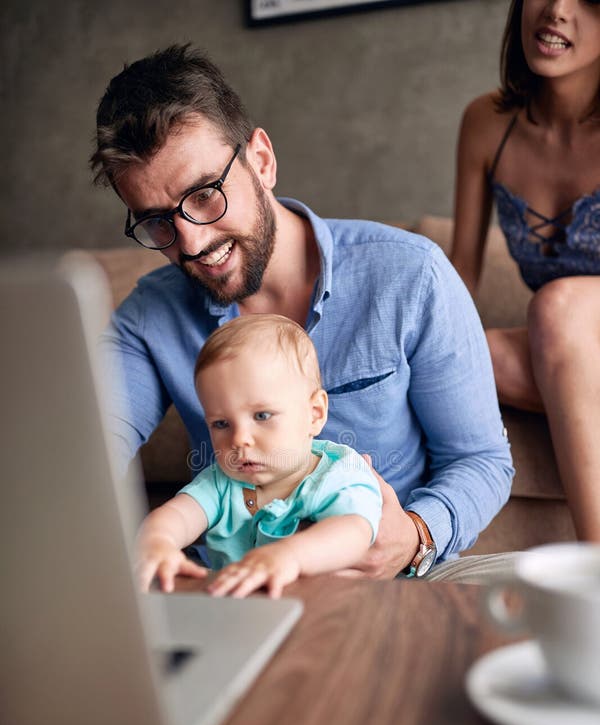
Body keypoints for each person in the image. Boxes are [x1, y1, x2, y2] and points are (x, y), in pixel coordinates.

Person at [92, 44, 514, 583]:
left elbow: (481, 459)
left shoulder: (411, 275)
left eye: (204, 195)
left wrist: (411, 536)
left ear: (261, 161)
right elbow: (82, 452)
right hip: (232, 584)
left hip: (401, 575)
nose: (191, 243)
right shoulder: (149, 316)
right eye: (156, 222)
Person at [450, 0, 600, 541]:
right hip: (571, 352)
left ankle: (594, 564)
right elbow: (460, 275)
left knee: (558, 306)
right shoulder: (486, 123)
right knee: (466, 356)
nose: (557, 10)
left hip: (570, 324)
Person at [136, 314, 382, 597]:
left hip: (329, 611)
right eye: (221, 424)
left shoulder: (339, 473)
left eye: (262, 415)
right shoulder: (222, 482)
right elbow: (177, 515)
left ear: (315, 414)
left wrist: (289, 556)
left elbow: (353, 531)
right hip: (242, 612)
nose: (239, 439)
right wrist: (158, 541)